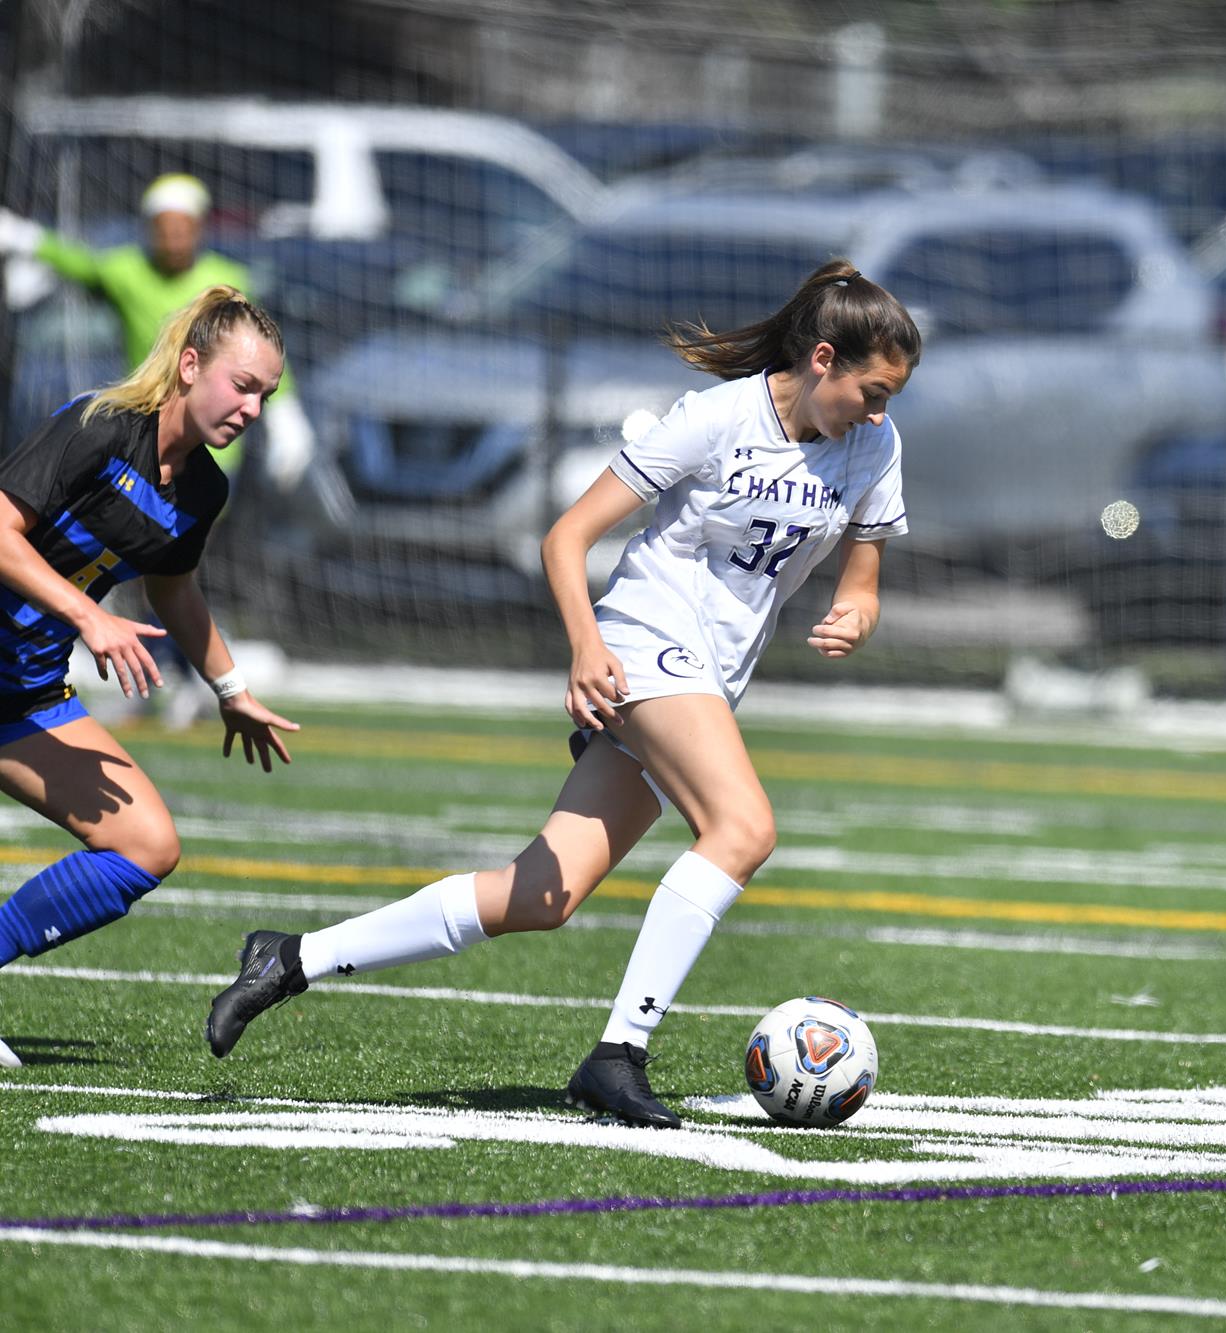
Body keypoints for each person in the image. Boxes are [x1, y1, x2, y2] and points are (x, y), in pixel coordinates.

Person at [205, 258, 919, 1127]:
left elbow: (865, 579)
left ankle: (288, 957)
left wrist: (856, 611)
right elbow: (567, 536)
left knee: (541, 895)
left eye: (891, 397)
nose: (879, 412)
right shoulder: (718, 418)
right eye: (871, 390)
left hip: (709, 679)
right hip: (642, 643)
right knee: (743, 828)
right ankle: (619, 1054)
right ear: (821, 359)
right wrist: (586, 647)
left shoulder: (872, 445)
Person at [0, 286, 302, 1069]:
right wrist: (90, 616)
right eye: (242, 386)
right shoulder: (101, 424)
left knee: (146, 844)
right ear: (191, 365)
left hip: (22, 695)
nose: (253, 410)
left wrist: (231, 691)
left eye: (265, 396)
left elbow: (175, 587)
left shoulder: (204, 489)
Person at [0, 173, 316, 496]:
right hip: (145, 435)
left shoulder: (226, 280)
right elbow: (81, 263)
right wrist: (26, 237)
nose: (174, 238)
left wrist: (284, 412)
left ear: (198, 229)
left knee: (192, 526)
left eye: (182, 228)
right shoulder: (127, 272)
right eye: (165, 229)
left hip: (215, 448)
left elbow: (259, 350)